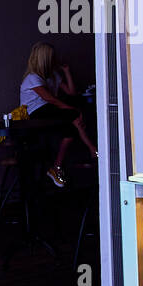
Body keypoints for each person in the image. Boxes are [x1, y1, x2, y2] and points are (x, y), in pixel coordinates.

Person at [19, 42, 97, 187]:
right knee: (73, 114)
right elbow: (50, 99)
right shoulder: (33, 77)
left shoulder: (53, 75)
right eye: (51, 57)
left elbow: (71, 93)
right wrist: (74, 111)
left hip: (49, 109)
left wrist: (67, 72)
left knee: (71, 130)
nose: (54, 59)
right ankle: (93, 149)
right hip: (35, 113)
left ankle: (56, 167)